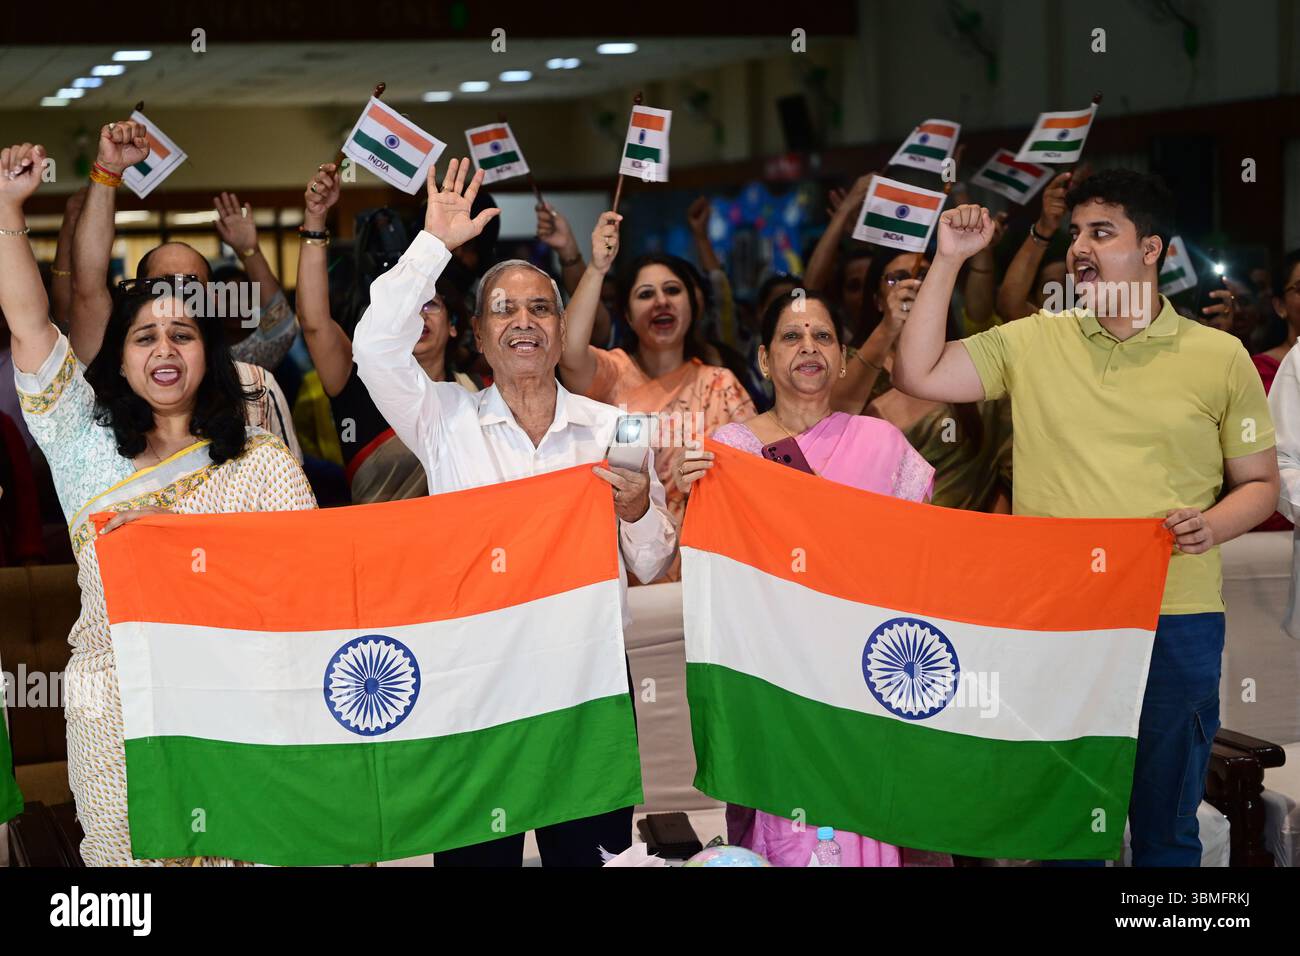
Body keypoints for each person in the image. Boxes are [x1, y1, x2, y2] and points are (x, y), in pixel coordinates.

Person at [892, 171, 1280, 866]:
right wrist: (948, 257)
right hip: (1062, 620)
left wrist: (1213, 526)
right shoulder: (1033, 341)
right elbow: (916, 373)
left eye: (1102, 232)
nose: (1080, 248)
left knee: (1167, 829)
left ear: (1152, 248)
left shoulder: (1219, 357)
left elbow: (1258, 483)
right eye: (1076, 234)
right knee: (1066, 829)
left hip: (1177, 615)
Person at [0, 141, 317, 866]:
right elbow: (30, 325)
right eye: (144, 336)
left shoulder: (261, 464)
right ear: (120, 357)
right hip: (115, 707)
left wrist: (179, 541)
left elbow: (311, 584)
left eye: (183, 333)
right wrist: (7, 210)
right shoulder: (84, 446)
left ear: (209, 353)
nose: (164, 347)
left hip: (242, 702)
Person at [353, 159, 676, 866]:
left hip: (586, 688)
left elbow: (650, 561)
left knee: (588, 862)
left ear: (563, 332)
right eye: (504, 310)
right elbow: (373, 347)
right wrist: (432, 244)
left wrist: (638, 507)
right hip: (476, 687)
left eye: (539, 310)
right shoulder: (443, 420)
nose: (523, 322)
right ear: (476, 335)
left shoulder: (615, 429)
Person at [675, 290, 942, 866]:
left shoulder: (881, 443)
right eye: (791, 337)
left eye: (822, 336)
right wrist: (693, 487)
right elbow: (715, 576)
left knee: (860, 817)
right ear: (766, 360)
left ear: (845, 359)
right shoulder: (731, 452)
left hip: (861, 671)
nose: (808, 347)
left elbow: (917, 556)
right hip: (772, 673)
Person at [68, 118, 301, 459]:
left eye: (191, 287)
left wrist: (248, 250)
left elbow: (288, 493)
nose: (176, 298)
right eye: (162, 286)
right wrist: (107, 171)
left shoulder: (252, 382)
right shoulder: (116, 366)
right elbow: (86, 286)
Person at [557, 211, 755, 581]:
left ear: (692, 307)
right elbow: (567, 351)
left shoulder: (721, 385)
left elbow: (753, 478)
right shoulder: (610, 372)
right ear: (628, 317)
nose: (661, 301)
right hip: (621, 567)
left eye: (673, 290)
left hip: (710, 567)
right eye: (645, 294)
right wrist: (598, 268)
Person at [297, 162, 476, 503]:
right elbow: (314, 322)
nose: (419, 317)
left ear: (455, 326)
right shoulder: (355, 382)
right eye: (412, 306)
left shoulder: (478, 393)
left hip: (458, 548)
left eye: (432, 306)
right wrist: (316, 220)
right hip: (375, 549)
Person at [833, 251, 1012, 512]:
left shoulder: (967, 358)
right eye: (898, 279)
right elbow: (830, 422)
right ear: (877, 300)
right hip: (887, 527)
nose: (913, 286)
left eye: (925, 276)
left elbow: (998, 467)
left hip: (973, 534)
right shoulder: (847, 362)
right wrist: (888, 327)